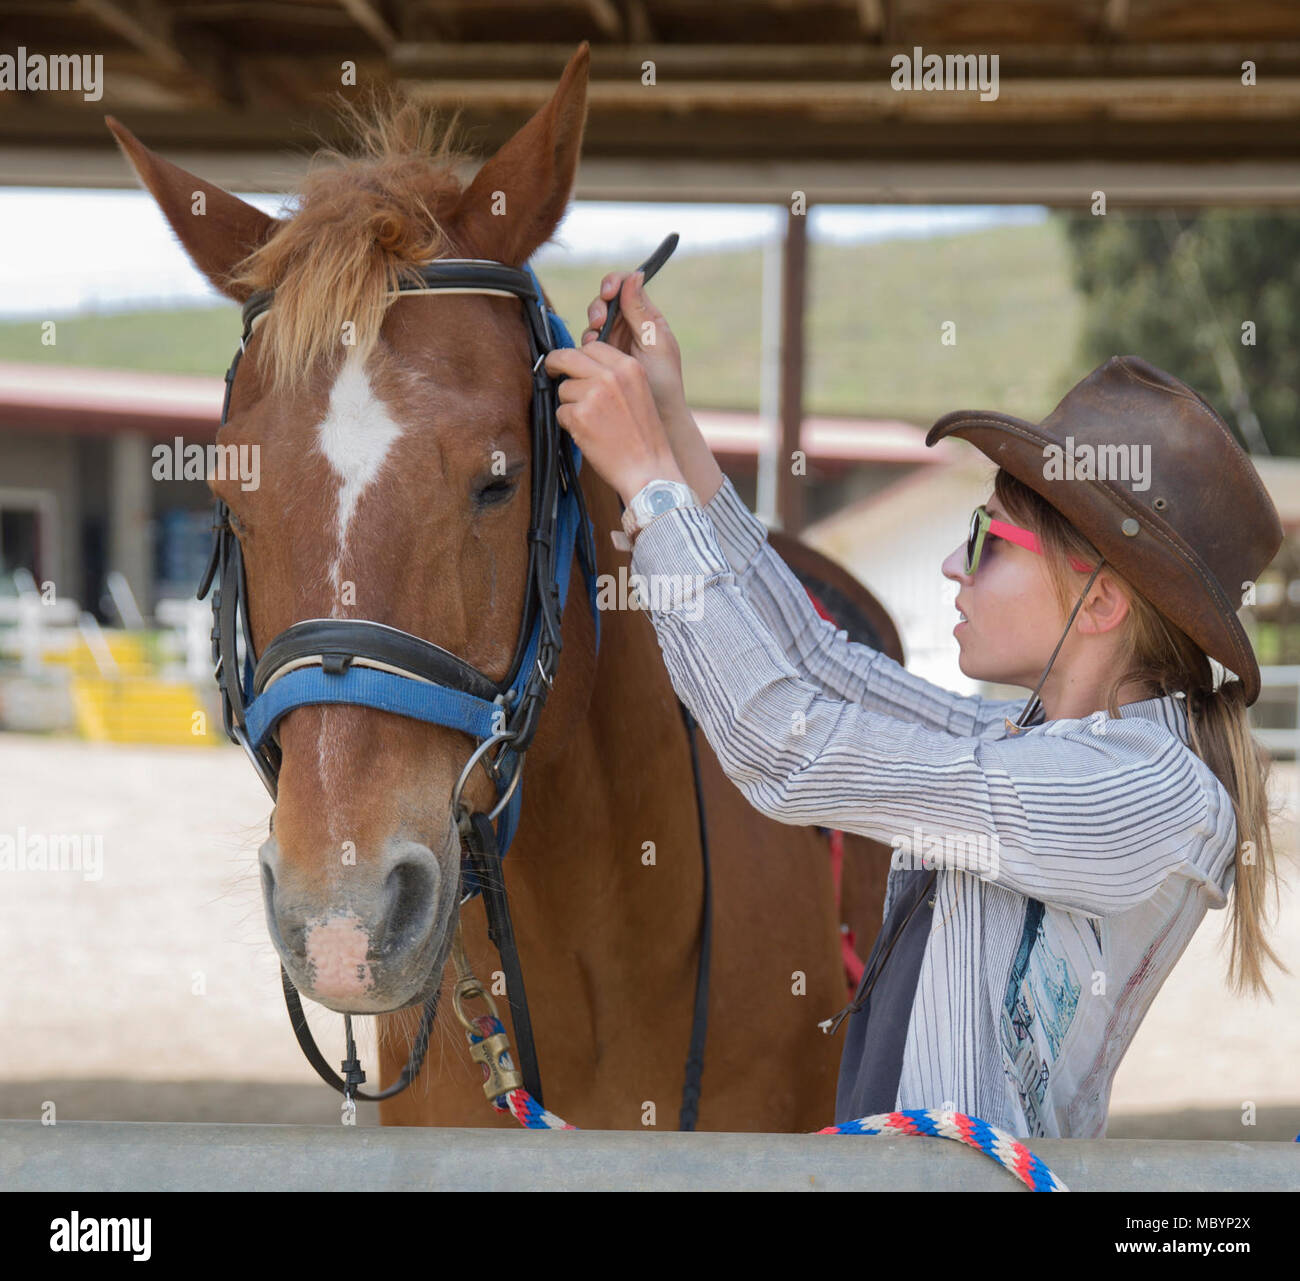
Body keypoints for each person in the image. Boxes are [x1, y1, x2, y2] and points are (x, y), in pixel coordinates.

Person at [543, 268, 1289, 1139]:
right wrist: (672, 435)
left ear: (1100, 603)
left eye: (986, 540)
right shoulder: (1051, 750)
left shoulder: (1145, 793)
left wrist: (646, 481)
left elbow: (789, 747)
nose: (953, 565)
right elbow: (820, 664)